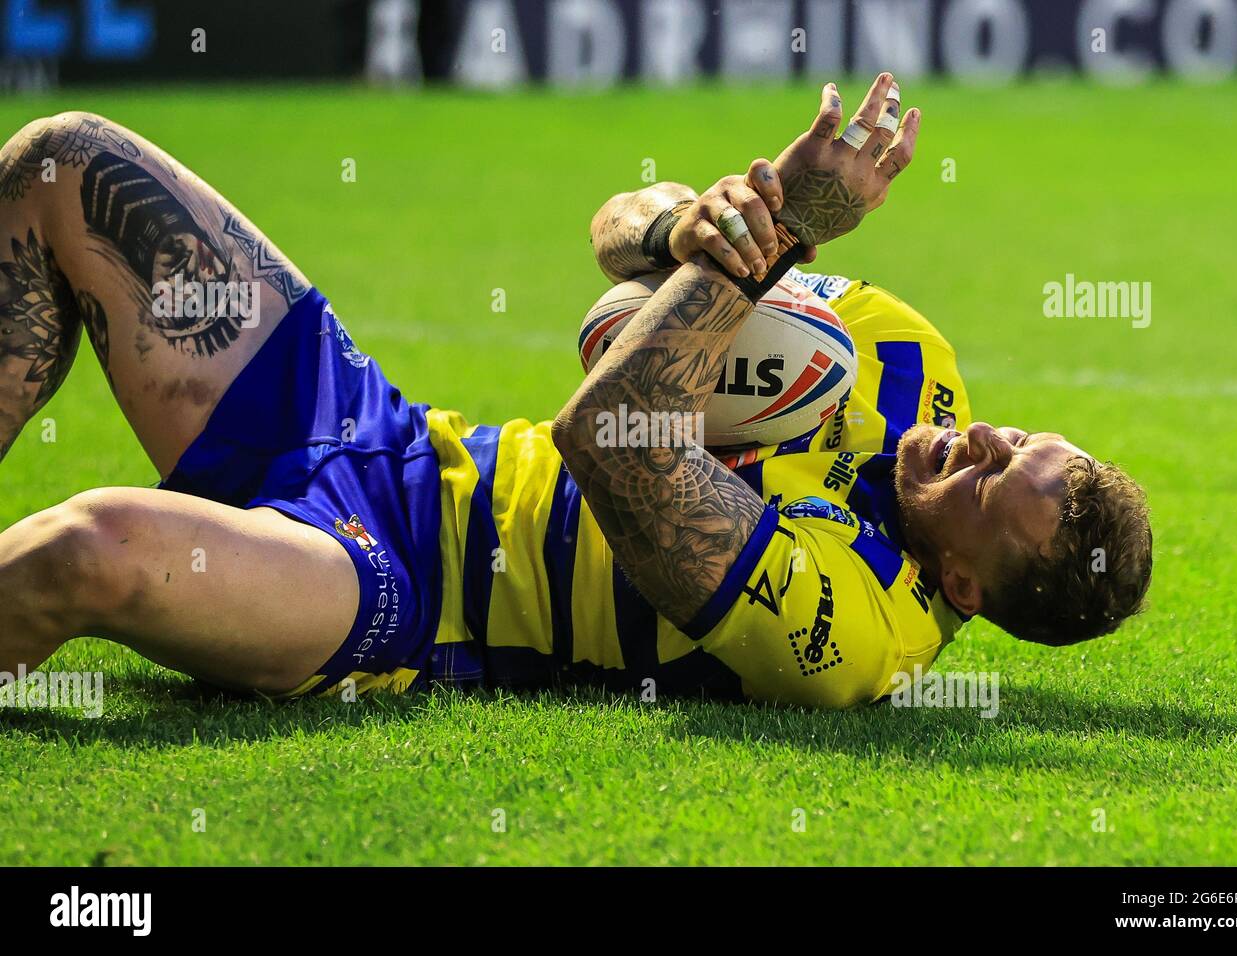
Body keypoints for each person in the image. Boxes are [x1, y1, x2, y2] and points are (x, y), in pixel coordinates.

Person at [0, 74, 1150, 708]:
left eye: (995, 478)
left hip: (397, 587)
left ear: (961, 578)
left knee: (88, 552)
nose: (982, 435)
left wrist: (788, 230)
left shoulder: (860, 629)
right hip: (371, 427)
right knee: (63, 163)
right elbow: (615, 239)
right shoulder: (909, 363)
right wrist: (680, 223)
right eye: (1020, 437)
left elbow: (605, 434)